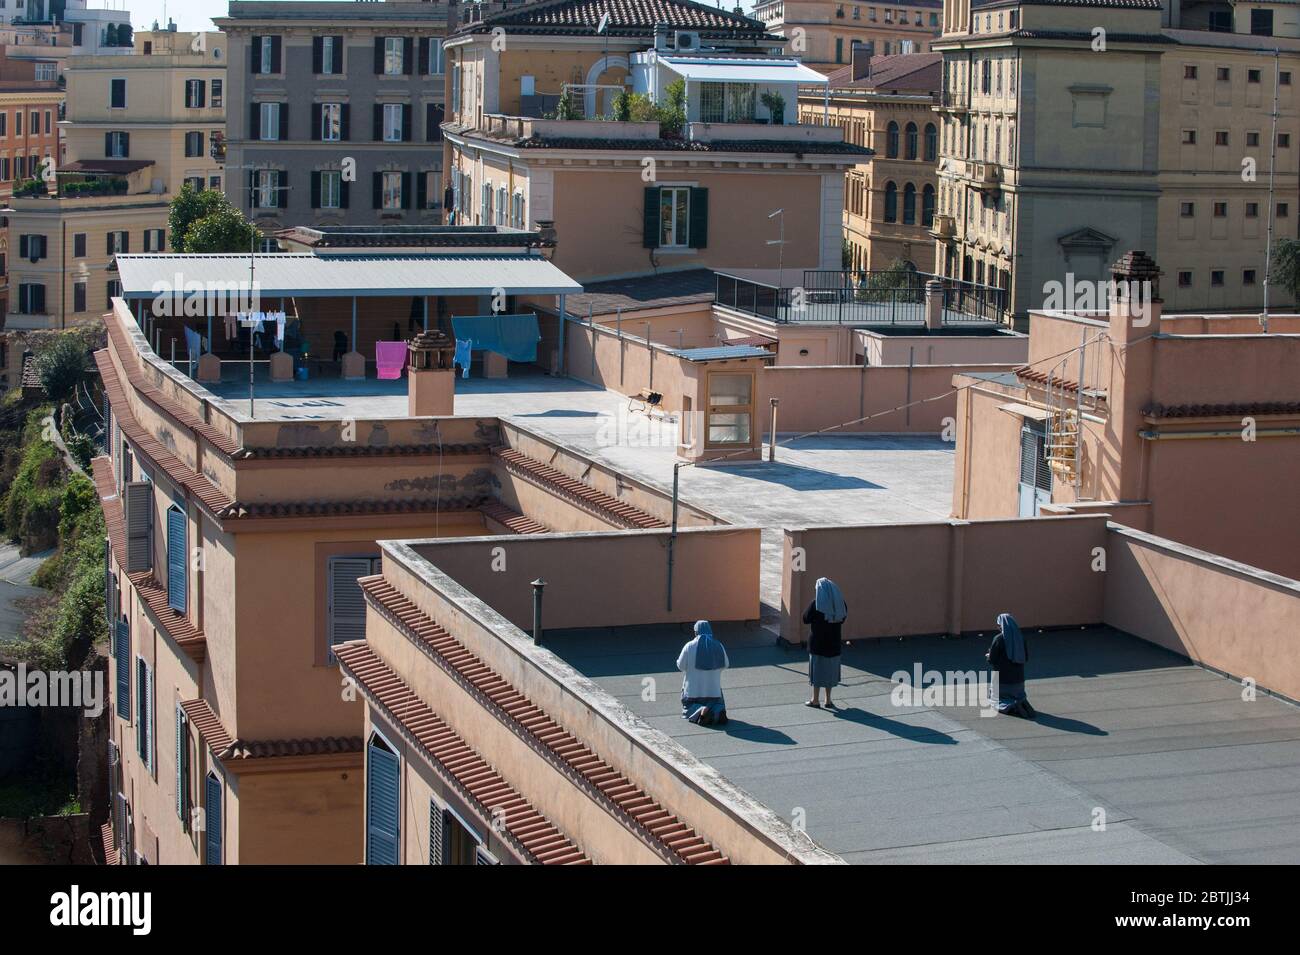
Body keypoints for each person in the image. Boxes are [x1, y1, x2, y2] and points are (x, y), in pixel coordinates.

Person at [803, 577, 847, 709]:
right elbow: (843, 618)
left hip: (817, 645)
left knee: (817, 672)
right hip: (833, 645)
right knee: (830, 672)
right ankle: (828, 700)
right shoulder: (840, 603)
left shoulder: (816, 604)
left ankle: (815, 699)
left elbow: (805, 618)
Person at [677, 621, 728, 726]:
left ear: (696, 632)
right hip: (714, 692)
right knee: (717, 702)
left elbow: (681, 666)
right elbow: (726, 664)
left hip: (692, 693)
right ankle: (717, 711)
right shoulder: (719, 645)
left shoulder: (689, 646)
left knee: (687, 707)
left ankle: (700, 710)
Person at [986, 613, 1035, 718]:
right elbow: (1025, 658)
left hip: (1002, 680)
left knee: (995, 699)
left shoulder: (998, 639)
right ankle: (1021, 702)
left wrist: (989, 655)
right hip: (1019, 681)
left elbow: (992, 659)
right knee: (1018, 695)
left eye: (998, 625)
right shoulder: (1021, 638)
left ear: (1001, 626)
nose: (997, 627)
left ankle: (1011, 706)